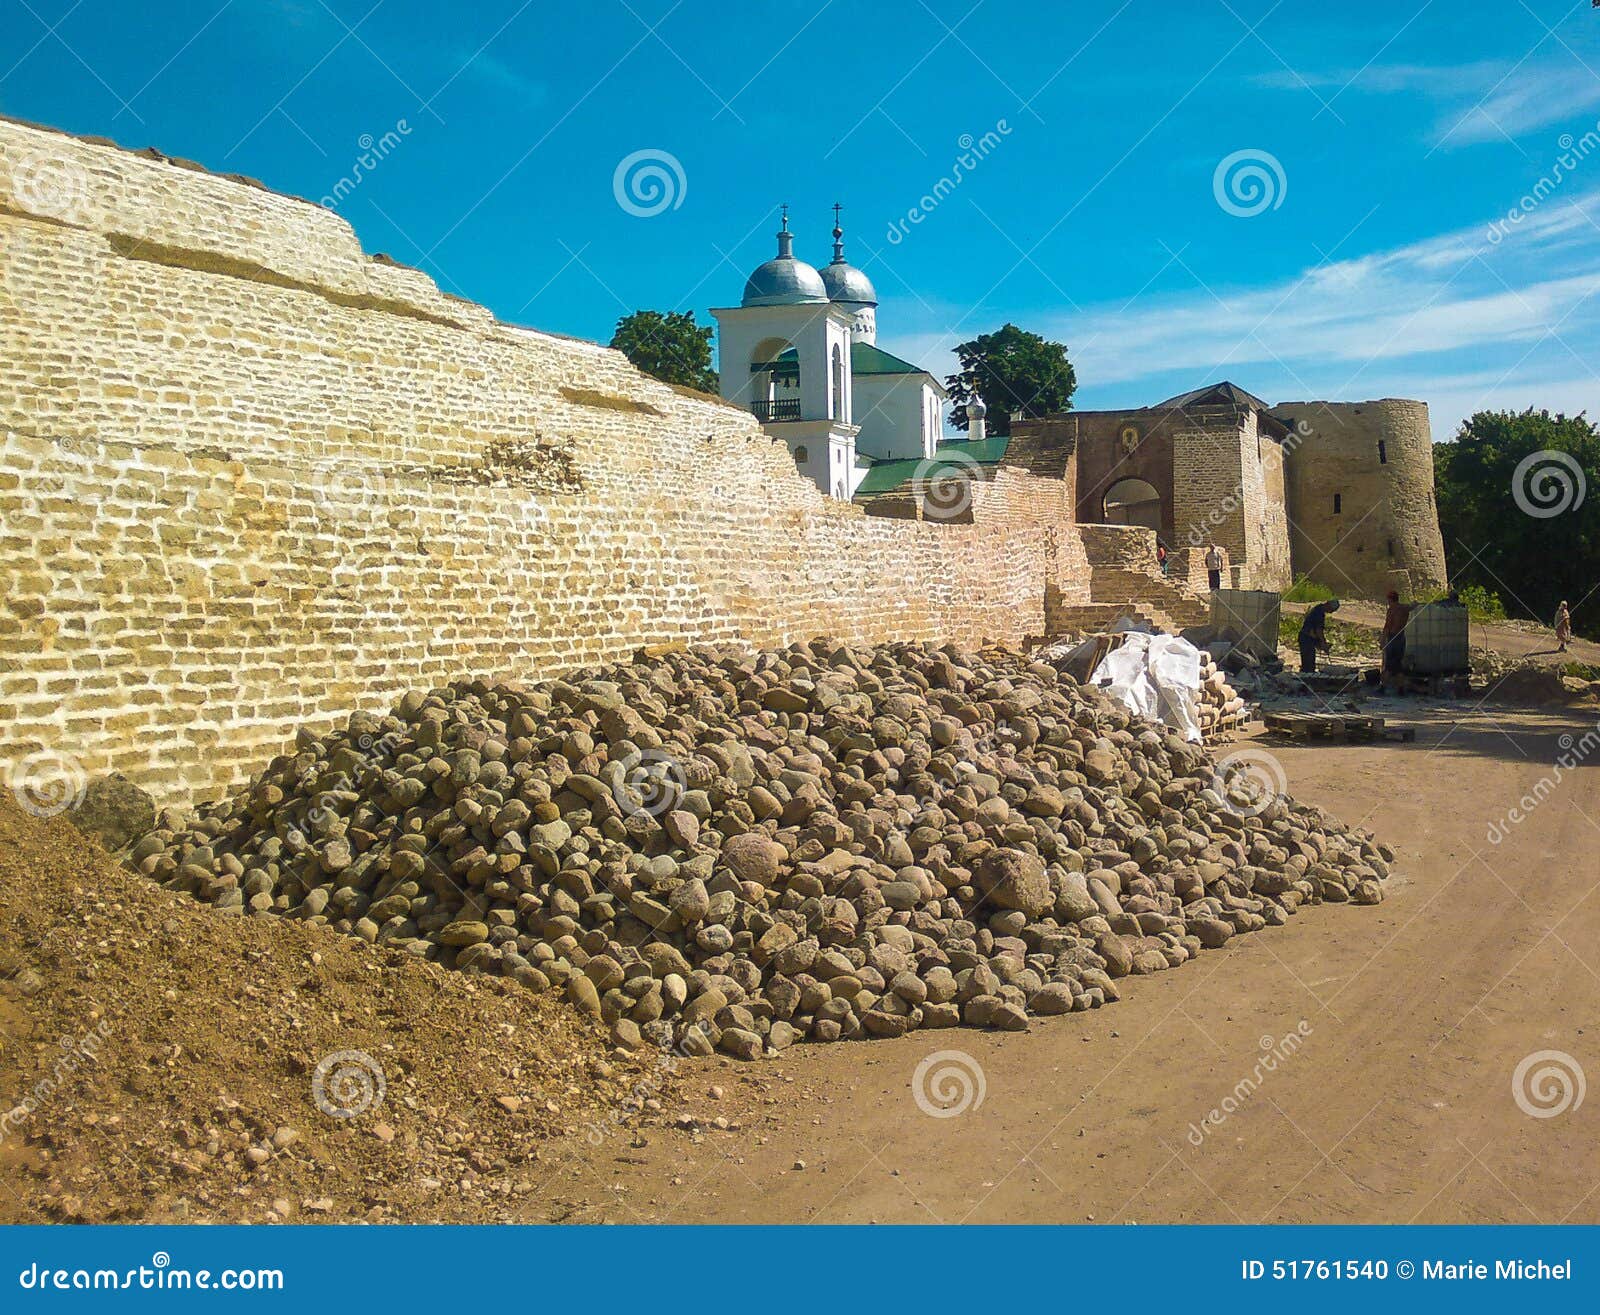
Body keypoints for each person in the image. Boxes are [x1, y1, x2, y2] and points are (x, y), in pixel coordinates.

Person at [1298, 598, 1341, 673]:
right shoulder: (1319, 613)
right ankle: (1306, 678)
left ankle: (1306, 675)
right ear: (1328, 605)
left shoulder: (1318, 609)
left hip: (1306, 637)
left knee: (1308, 662)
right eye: (1331, 610)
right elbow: (1318, 630)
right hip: (1306, 638)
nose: (1330, 612)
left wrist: (1321, 643)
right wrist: (1323, 642)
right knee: (1308, 663)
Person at [1381, 590, 1410, 679]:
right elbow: (1413, 606)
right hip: (1401, 637)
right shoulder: (1405, 608)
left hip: (1392, 638)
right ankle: (1400, 688)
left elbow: (1387, 626)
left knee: (1389, 665)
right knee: (1398, 665)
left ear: (1390, 599)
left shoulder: (1391, 610)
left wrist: (1382, 641)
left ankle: (1383, 687)